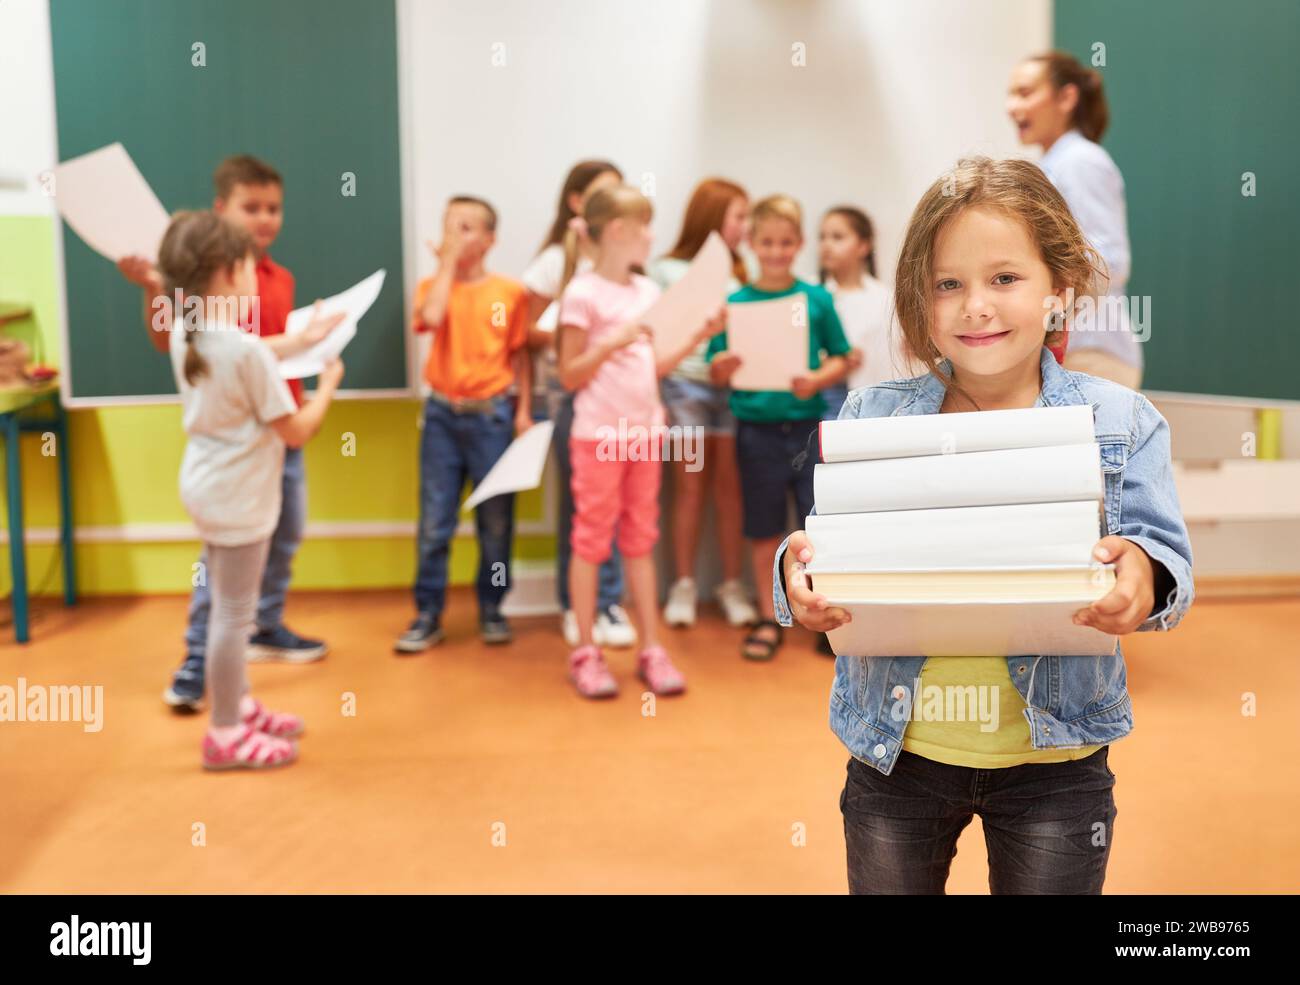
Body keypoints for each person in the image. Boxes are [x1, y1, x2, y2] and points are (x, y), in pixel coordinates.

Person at [776, 158, 1194, 893]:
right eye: (948, 283)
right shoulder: (870, 415)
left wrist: (1143, 575)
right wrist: (795, 573)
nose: (976, 305)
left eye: (1005, 278)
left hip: (1055, 770)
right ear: (922, 298)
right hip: (897, 755)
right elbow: (816, 543)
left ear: (1058, 292)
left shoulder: (1121, 421)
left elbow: (1164, 559)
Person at [158, 210, 343, 769]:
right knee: (233, 619)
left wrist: (301, 340)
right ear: (226, 273)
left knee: (224, 610)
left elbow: (251, 352)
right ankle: (225, 732)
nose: (253, 277)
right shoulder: (245, 353)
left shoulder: (186, 331)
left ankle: (235, 701)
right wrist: (328, 384)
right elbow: (297, 431)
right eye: (247, 268)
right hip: (241, 501)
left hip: (209, 489)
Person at [395, 196, 532, 652]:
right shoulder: (434, 286)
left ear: (491, 240)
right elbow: (429, 319)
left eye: (468, 228)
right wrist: (447, 267)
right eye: (450, 227)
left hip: (491, 416)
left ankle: (492, 609)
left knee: (495, 522)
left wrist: (523, 411)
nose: (456, 236)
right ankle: (428, 613)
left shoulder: (510, 293)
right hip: (441, 417)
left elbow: (520, 354)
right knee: (435, 521)